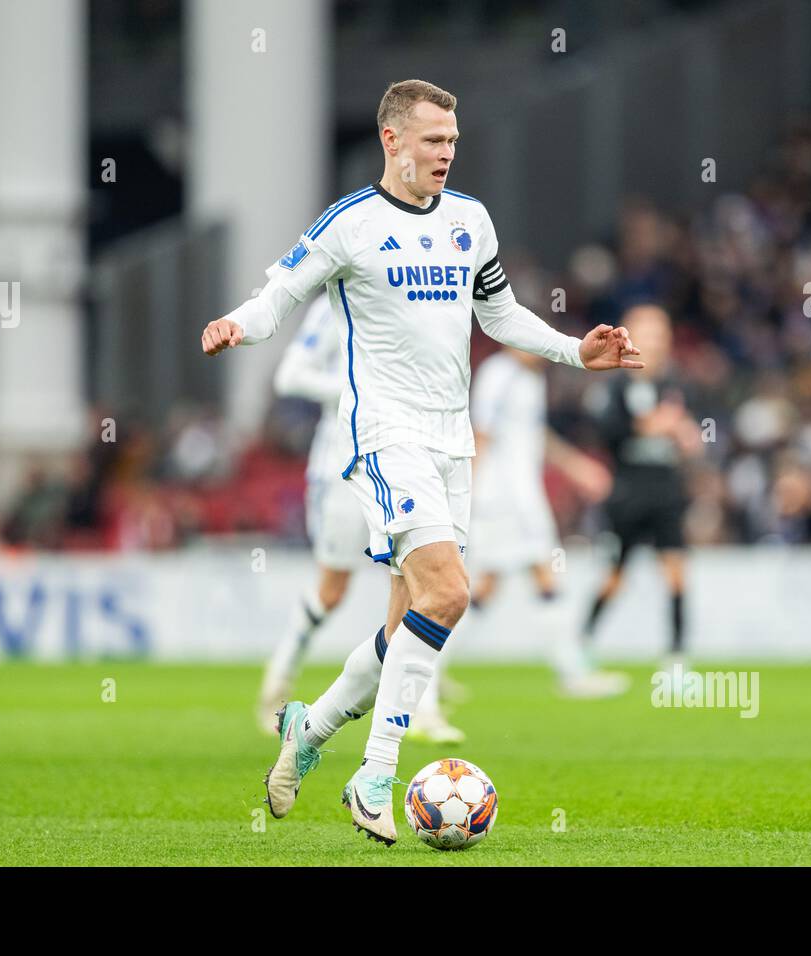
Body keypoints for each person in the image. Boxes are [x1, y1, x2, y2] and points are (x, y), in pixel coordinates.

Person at [202, 79, 644, 845]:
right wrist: (236, 325)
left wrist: (576, 351)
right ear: (392, 141)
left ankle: (310, 729)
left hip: (453, 440)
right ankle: (375, 773)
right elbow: (280, 292)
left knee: (413, 616)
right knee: (449, 594)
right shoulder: (352, 224)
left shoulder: (471, 221)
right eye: (433, 141)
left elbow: (498, 313)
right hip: (387, 433)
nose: (445, 154)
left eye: (452, 142)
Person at [424, 347, 624, 724]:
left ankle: (428, 669)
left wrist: (576, 466)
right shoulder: (500, 374)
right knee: (544, 576)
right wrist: (466, 497)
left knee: (483, 588)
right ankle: (573, 673)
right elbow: (480, 433)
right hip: (504, 499)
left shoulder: (531, 380)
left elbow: (534, 436)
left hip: (518, 497)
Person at [256, 297, 370, 733]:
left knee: (421, 578)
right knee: (332, 589)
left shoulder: (405, 284)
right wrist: (353, 392)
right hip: (340, 465)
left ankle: (422, 699)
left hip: (400, 461)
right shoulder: (336, 303)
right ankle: (279, 677)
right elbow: (291, 376)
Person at [582, 304, 701, 678]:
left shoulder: (676, 384)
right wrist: (650, 426)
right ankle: (580, 644)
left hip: (666, 489)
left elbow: (693, 436)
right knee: (615, 575)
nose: (655, 340)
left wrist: (685, 436)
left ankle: (677, 660)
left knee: (677, 572)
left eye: (660, 332)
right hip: (629, 492)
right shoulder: (616, 382)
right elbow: (608, 434)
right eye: (647, 331)